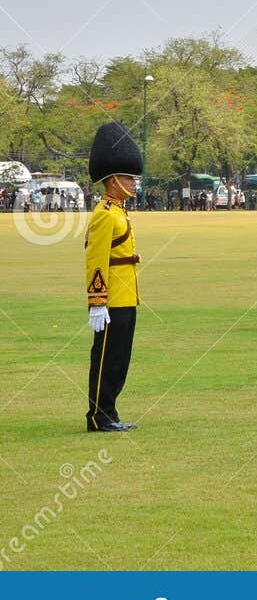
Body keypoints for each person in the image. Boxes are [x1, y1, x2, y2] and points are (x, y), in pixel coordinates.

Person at [84, 122, 143, 433]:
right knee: (106, 359)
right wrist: (97, 301)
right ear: (112, 180)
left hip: (126, 297)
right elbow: (95, 260)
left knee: (120, 360)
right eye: (127, 177)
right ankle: (99, 415)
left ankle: (110, 412)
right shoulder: (105, 214)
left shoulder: (120, 211)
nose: (133, 183)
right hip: (110, 301)